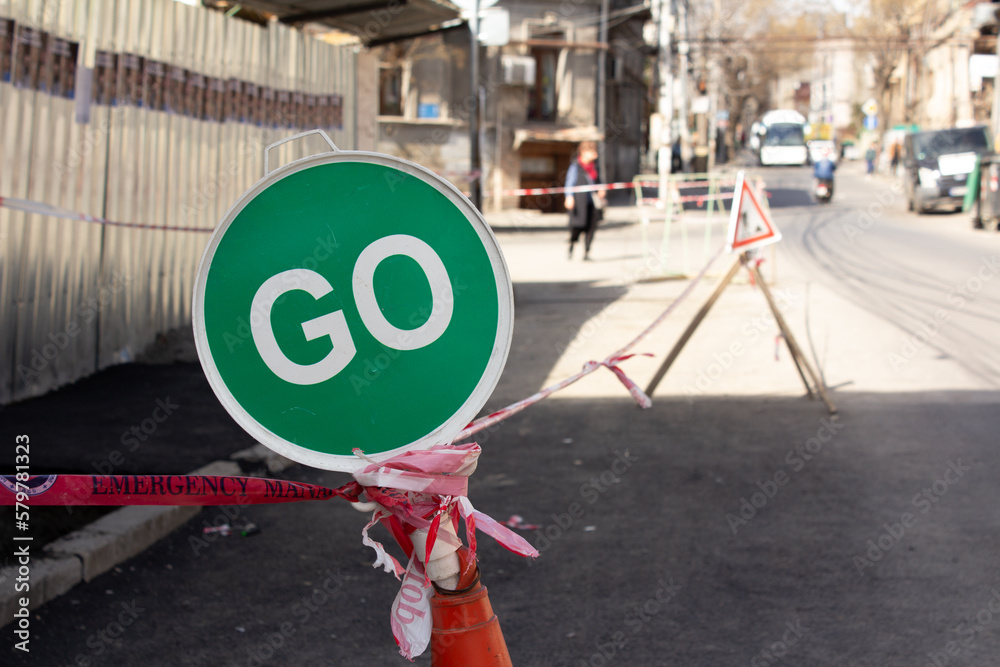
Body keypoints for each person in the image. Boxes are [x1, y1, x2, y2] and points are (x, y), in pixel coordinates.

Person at [565, 141, 605, 260]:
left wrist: (601, 189)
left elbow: (599, 180)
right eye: (592, 152)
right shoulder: (576, 166)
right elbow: (569, 182)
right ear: (584, 152)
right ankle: (571, 245)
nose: (595, 155)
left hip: (592, 202)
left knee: (591, 227)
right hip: (579, 201)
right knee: (577, 226)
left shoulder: (595, 166)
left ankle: (586, 252)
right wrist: (569, 196)